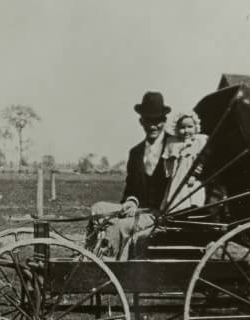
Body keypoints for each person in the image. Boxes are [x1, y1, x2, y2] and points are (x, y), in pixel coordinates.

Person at [87, 91, 174, 260]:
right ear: (141, 121)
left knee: (118, 226)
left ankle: (108, 266)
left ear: (164, 121)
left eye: (157, 121)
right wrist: (131, 201)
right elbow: (131, 188)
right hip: (139, 209)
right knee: (98, 210)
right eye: (148, 120)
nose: (152, 126)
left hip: (160, 214)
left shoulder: (175, 146)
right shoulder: (136, 152)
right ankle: (90, 258)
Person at [160, 111, 208, 213]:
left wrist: (195, 175)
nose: (186, 130)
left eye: (190, 127)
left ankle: (193, 209)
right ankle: (176, 211)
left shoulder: (199, 141)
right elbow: (168, 163)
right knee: (176, 194)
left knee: (193, 192)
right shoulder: (173, 143)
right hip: (179, 174)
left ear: (195, 127)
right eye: (182, 127)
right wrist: (176, 154)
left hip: (192, 174)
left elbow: (201, 161)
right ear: (176, 129)